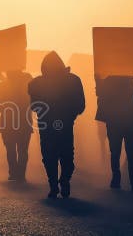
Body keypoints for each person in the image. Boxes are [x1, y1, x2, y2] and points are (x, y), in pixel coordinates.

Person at [28, 52, 85, 199]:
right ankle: (63, 181)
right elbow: (80, 105)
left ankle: (54, 185)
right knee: (66, 156)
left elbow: (34, 106)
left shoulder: (35, 83)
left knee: (49, 156)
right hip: (65, 124)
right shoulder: (73, 80)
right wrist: (71, 115)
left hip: (46, 125)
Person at [96, 75, 133, 192]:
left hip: (114, 121)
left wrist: (98, 80)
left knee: (115, 151)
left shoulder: (108, 79)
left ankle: (116, 178)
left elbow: (101, 96)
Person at [0, 70, 34, 181]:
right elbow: (35, 103)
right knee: (23, 150)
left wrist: (4, 108)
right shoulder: (29, 85)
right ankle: (21, 174)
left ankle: (13, 173)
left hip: (7, 124)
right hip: (25, 123)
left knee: (10, 149)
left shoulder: (2, 85)